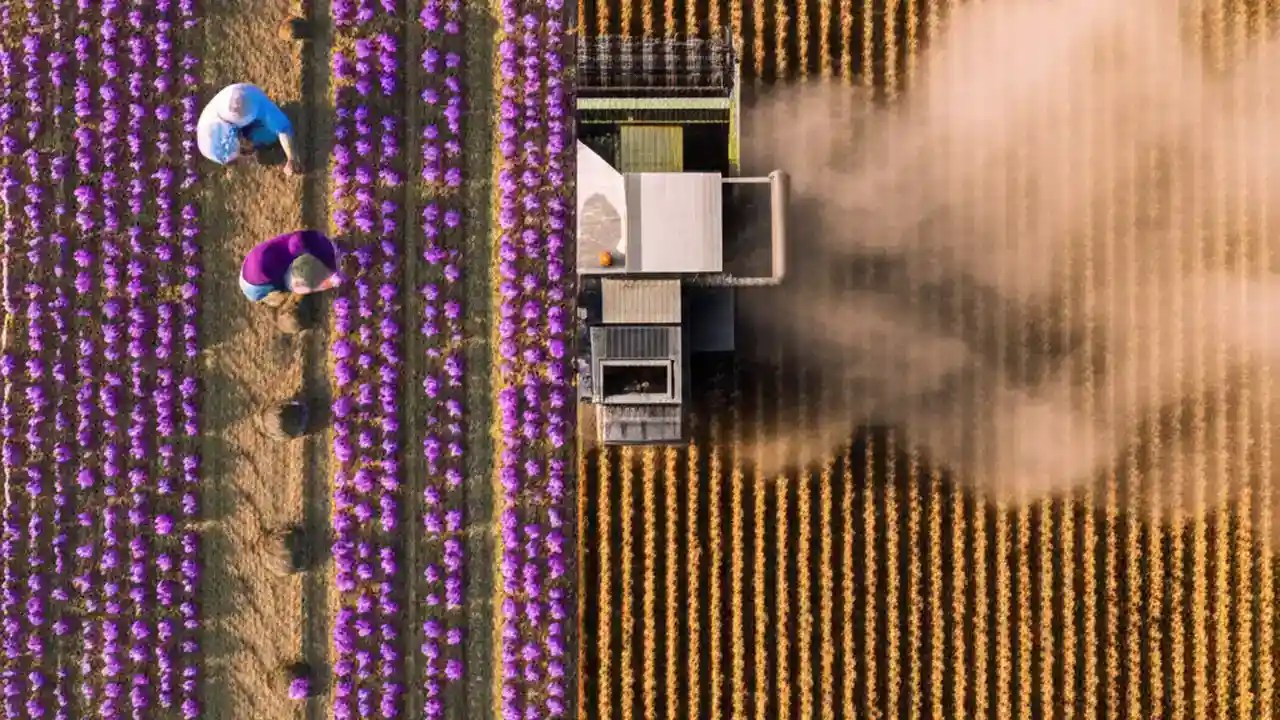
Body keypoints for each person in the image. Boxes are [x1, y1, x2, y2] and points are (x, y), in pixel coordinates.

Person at [240, 230, 357, 333]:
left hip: (255, 278)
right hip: (254, 278)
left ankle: (333, 274)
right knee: (301, 279)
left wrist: (336, 275)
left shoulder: (294, 255)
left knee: (302, 278)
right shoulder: (289, 268)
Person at [197, 83, 301, 174]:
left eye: (243, 147)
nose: (247, 146)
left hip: (249, 106)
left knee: (271, 135)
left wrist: (292, 157)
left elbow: (282, 126)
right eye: (243, 150)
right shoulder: (209, 146)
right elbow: (228, 156)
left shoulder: (244, 106)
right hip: (235, 122)